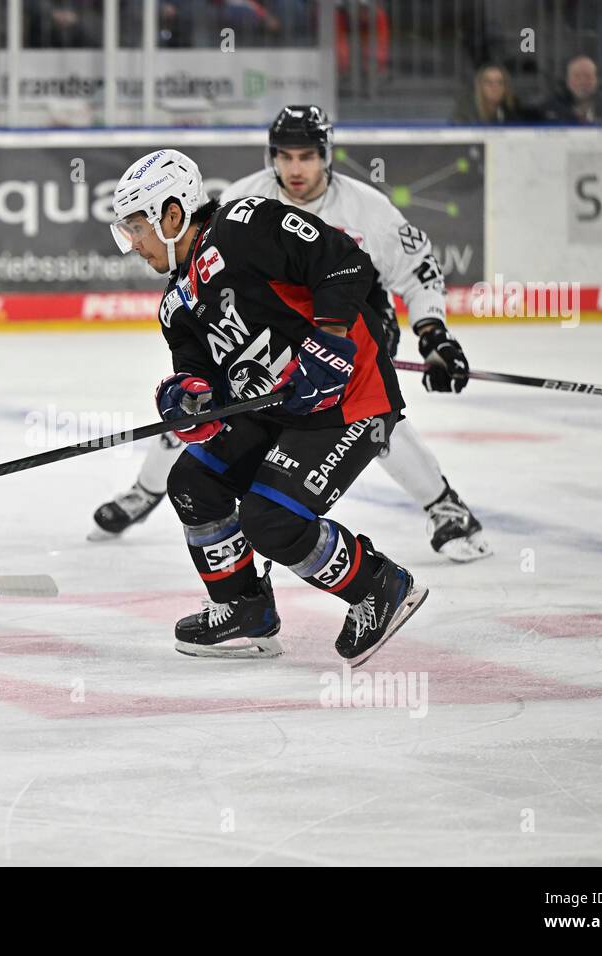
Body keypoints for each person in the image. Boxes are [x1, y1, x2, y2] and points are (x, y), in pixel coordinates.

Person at [94, 105, 491, 563]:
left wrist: (433, 335)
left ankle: (442, 503)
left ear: (326, 156)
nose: (295, 168)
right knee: (206, 402)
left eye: (306, 156)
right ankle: (147, 490)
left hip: (348, 316)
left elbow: (415, 272)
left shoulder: (367, 207)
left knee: (362, 413)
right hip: (266, 326)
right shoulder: (247, 198)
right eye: (285, 156)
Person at [109, 148, 428, 664]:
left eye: (137, 227)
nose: (133, 244)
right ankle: (245, 610)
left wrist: (329, 342)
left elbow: (345, 261)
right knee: (193, 484)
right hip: (280, 409)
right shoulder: (175, 303)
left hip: (351, 399)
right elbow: (203, 381)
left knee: (270, 519)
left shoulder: (244, 223)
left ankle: (377, 586)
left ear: (172, 214)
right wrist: (186, 401)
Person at [539, 54, 602, 125]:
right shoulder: (546, 111)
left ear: (596, 80)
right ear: (567, 80)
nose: (582, 82)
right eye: (577, 76)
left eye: (588, 76)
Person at [451, 63, 539, 124]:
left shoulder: (513, 109)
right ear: (480, 86)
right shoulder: (466, 111)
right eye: (489, 83)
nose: (495, 88)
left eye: (500, 83)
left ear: (505, 87)